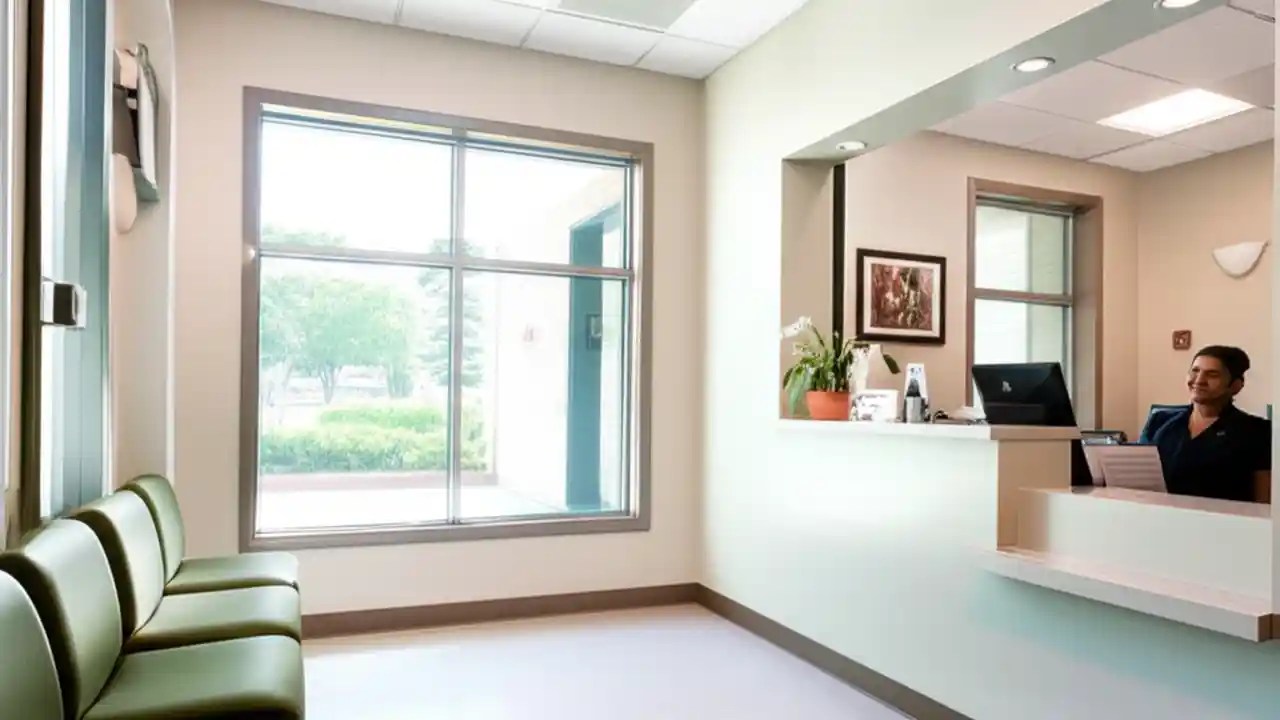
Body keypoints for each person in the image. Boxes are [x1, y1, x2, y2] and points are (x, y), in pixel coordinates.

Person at [1140, 346, 1271, 503]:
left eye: (1212, 374)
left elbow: (1264, 502)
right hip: (1159, 514)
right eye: (1195, 371)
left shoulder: (1257, 431)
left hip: (1223, 517)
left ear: (1235, 386)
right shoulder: (1160, 422)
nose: (1199, 380)